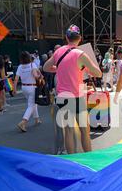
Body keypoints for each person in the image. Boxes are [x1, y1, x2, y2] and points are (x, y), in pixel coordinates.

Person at [43, 24, 102, 154]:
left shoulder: (58, 51)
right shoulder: (80, 54)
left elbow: (45, 67)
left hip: (62, 96)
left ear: (66, 38)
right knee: (84, 131)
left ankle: (73, 161)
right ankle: (89, 160)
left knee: (68, 131)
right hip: (76, 97)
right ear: (79, 38)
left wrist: (58, 69)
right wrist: (87, 69)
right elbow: (98, 73)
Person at [13, 51, 43, 132]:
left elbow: (16, 79)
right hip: (32, 87)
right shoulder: (32, 65)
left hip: (24, 87)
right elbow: (36, 77)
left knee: (33, 103)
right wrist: (40, 75)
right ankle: (23, 122)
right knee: (31, 105)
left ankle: (37, 119)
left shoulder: (20, 66)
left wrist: (14, 89)